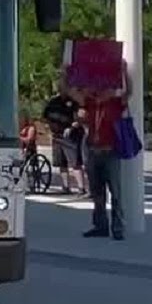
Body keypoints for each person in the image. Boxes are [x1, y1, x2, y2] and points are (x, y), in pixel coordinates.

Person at [72, 62, 129, 241]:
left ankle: (118, 228)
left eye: (103, 88)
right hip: (93, 151)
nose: (99, 91)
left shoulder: (115, 104)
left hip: (110, 152)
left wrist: (124, 73)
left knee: (116, 192)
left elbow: (129, 93)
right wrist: (67, 73)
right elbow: (71, 91)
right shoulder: (89, 105)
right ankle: (100, 226)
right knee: (97, 192)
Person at [42, 83, 85, 195]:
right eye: (60, 89)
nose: (62, 91)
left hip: (70, 136)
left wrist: (71, 128)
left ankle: (81, 188)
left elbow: (80, 119)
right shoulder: (53, 102)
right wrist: (48, 129)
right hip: (57, 135)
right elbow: (46, 116)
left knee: (74, 162)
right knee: (61, 162)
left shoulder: (74, 102)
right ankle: (65, 187)